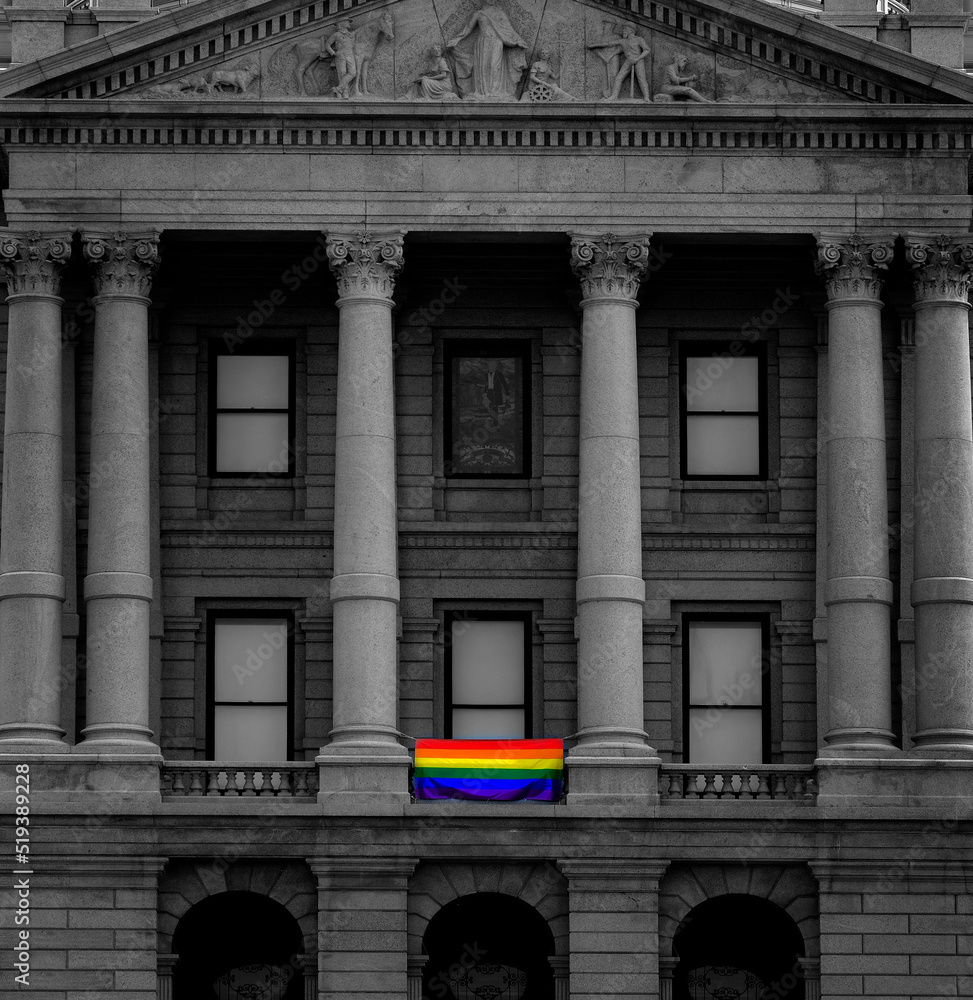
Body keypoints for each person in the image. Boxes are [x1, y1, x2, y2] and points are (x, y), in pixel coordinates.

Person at [447, 2, 527, 99]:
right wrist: (456, 39)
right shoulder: (478, 13)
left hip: (497, 41)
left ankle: (496, 92)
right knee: (482, 66)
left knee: (494, 66)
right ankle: (482, 92)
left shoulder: (500, 13)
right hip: (482, 42)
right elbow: (468, 28)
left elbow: (509, 30)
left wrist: (518, 40)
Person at [605, 26, 651, 102]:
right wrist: (594, 45)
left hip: (638, 60)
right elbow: (609, 44)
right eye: (623, 29)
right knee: (619, 77)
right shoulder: (623, 41)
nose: (623, 30)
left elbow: (647, 50)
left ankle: (646, 97)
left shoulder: (639, 39)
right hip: (628, 60)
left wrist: (637, 58)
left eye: (625, 29)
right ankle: (614, 96)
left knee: (641, 79)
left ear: (631, 30)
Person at [325, 20, 357, 98]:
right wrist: (333, 53)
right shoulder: (336, 34)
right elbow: (327, 45)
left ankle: (338, 89)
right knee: (342, 73)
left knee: (353, 73)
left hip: (350, 55)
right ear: (343, 24)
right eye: (347, 22)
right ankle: (345, 93)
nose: (349, 24)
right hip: (340, 55)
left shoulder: (350, 34)